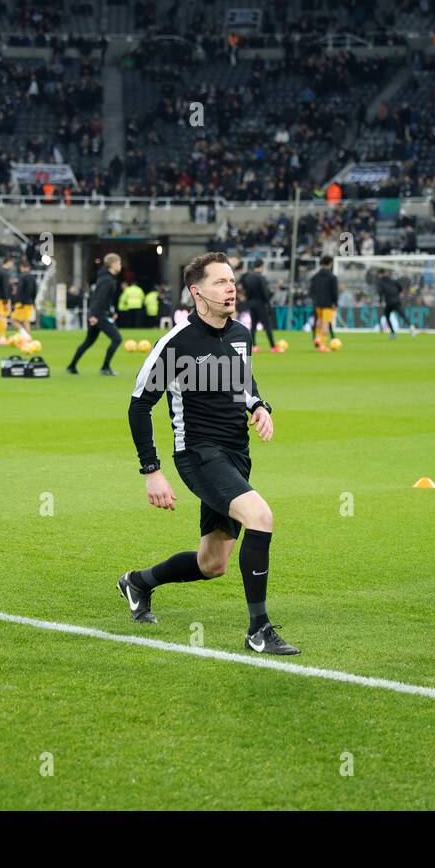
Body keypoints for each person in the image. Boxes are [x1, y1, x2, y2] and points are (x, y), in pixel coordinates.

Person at [120, 251, 298, 655]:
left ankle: (138, 582)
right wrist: (152, 470)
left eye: (232, 280)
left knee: (212, 563)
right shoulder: (176, 342)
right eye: (220, 282)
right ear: (196, 292)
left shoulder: (240, 334)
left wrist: (259, 406)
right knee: (261, 517)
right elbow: (138, 405)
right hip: (198, 454)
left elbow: (244, 383)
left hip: (237, 453)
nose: (231, 287)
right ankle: (259, 630)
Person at [67, 253, 122, 376]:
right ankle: (105, 367)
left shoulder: (105, 278)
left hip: (98, 314)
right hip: (99, 315)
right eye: (119, 263)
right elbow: (98, 298)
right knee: (117, 339)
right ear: (112, 264)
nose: (120, 265)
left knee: (89, 341)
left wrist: (112, 312)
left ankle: (71, 366)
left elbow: (105, 299)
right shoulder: (107, 280)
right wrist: (93, 315)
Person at [239, 259, 277, 351]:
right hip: (261, 303)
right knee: (267, 325)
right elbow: (265, 292)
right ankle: (273, 347)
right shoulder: (261, 277)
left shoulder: (248, 277)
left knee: (253, 325)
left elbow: (245, 290)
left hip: (251, 303)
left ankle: (254, 346)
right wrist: (269, 303)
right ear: (261, 266)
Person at [309, 256, 339, 349]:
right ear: (330, 263)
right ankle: (323, 344)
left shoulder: (315, 276)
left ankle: (317, 338)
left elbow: (311, 291)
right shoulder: (332, 277)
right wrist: (335, 303)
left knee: (319, 320)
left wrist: (315, 299)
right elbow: (334, 292)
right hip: (328, 303)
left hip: (317, 302)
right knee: (326, 322)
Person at [377, 269, 404, 338]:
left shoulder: (381, 282)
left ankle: (392, 332)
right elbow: (400, 287)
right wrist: (397, 294)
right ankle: (411, 326)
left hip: (389, 302)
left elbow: (380, 292)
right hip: (397, 300)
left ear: (380, 274)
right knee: (402, 315)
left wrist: (380, 301)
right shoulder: (392, 279)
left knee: (387, 316)